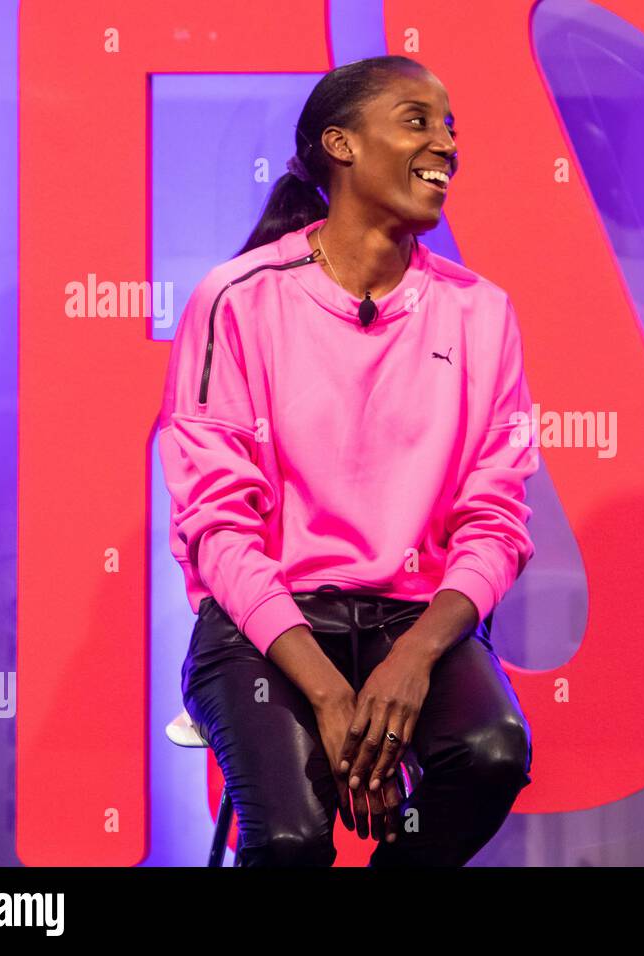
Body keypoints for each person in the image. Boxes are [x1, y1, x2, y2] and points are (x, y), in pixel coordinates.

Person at [156, 55, 539, 867]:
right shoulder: (238, 298)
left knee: (494, 753)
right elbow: (216, 526)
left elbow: (494, 523)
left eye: (450, 128)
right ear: (341, 144)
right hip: (271, 630)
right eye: (416, 120)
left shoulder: (482, 312)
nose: (445, 145)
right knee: (292, 841)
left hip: (414, 620)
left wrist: (409, 663)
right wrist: (332, 697)